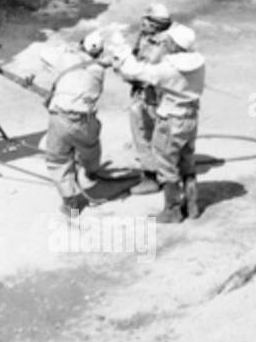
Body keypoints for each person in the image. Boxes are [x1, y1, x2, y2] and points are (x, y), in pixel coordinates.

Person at [111, 23, 205, 223]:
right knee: (186, 161)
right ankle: (192, 205)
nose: (166, 42)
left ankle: (172, 211)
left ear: (175, 44)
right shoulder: (198, 62)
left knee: (166, 165)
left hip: (171, 121)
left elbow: (135, 71)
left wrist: (121, 49)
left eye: (169, 40)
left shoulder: (169, 69)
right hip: (191, 118)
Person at [37, 31, 109, 218]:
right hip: (86, 119)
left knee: (58, 159)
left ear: (81, 44)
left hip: (61, 117)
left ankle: (71, 206)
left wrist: (67, 48)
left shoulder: (67, 58)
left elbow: (44, 54)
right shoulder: (99, 70)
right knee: (91, 147)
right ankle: (92, 174)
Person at [128, 3, 173, 195]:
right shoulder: (148, 37)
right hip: (153, 94)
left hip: (152, 96)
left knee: (144, 134)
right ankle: (166, 173)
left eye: (146, 20)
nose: (142, 23)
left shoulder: (163, 45)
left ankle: (151, 178)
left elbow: (145, 71)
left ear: (155, 24)